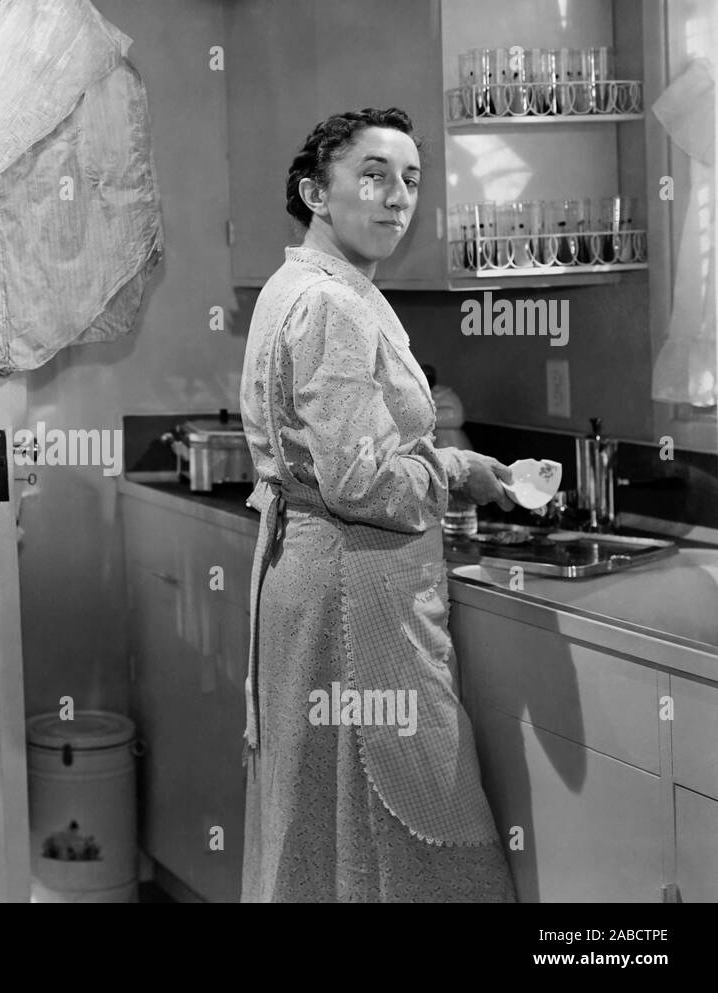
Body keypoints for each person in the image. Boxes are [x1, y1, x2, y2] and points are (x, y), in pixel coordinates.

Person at [239, 107, 517, 902]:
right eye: (372, 174)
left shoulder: (293, 285)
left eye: (410, 179)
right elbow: (362, 484)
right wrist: (448, 473)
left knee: (325, 820)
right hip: (359, 599)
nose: (398, 196)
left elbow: (348, 458)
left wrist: (457, 461)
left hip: (313, 580)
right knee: (410, 807)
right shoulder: (334, 305)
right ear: (314, 192)